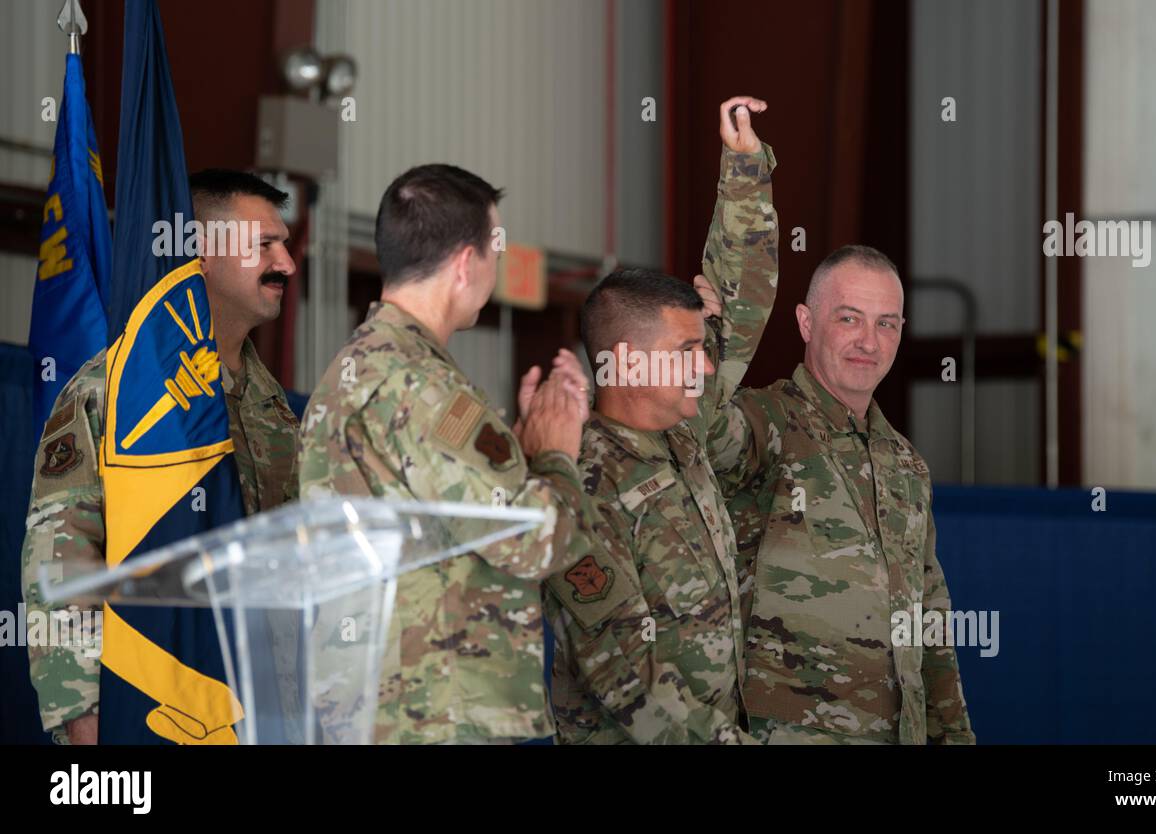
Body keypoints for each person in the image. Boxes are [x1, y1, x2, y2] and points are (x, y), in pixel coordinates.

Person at [297, 163, 596, 744]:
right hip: (437, 711)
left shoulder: (356, 369)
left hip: (376, 706)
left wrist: (514, 448)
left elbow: (436, 503)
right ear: (465, 264)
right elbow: (536, 541)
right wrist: (557, 452)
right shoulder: (421, 387)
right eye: (495, 248)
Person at [22, 169, 301, 745]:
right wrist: (81, 708)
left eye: (286, 245)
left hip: (253, 712)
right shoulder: (115, 389)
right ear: (201, 254)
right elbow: (60, 551)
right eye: (264, 246)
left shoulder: (274, 410)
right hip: (145, 713)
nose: (287, 264)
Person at [544, 97, 778, 744]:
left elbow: (740, 297)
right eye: (686, 353)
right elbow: (620, 671)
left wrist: (745, 170)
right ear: (627, 363)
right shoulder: (585, 477)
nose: (706, 368)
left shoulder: (684, 423)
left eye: (701, 350)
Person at [713, 244, 976, 744]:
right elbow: (699, 419)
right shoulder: (762, 423)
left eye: (886, 324)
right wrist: (717, 333)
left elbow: (931, 622)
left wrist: (954, 736)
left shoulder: (907, 464)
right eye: (849, 318)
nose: (868, 342)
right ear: (806, 322)